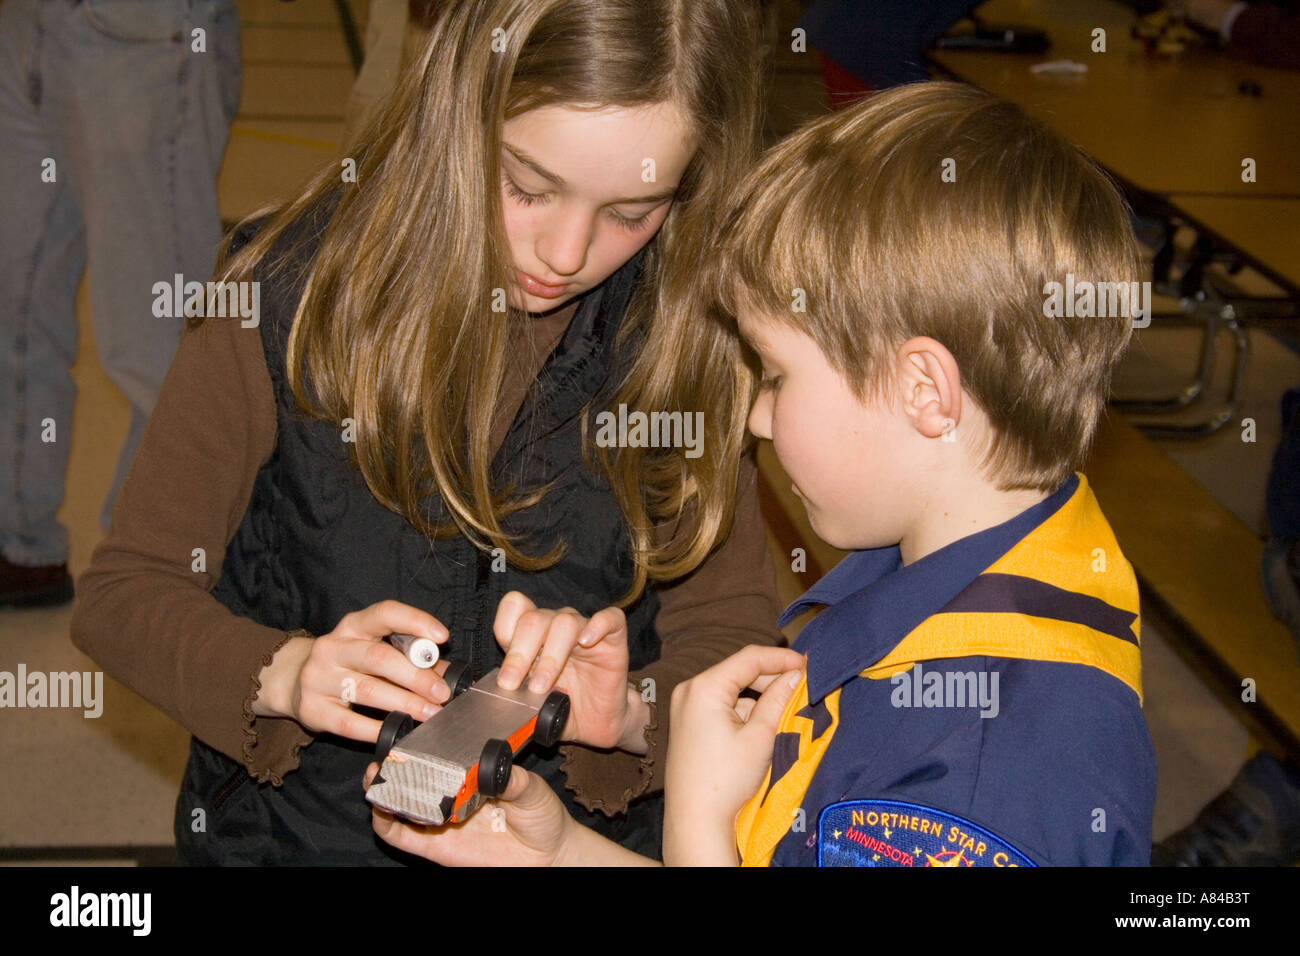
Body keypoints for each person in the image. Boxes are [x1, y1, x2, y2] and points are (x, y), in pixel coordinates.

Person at [368, 80, 1159, 867]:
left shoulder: (987, 771)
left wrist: (702, 829)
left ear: (924, 392)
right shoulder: (941, 571)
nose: (757, 418)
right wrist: (559, 853)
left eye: (776, 376)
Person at [70, 0, 784, 865]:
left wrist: (629, 711)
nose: (565, 251)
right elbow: (126, 595)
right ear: (457, 111)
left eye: (632, 213)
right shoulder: (284, 299)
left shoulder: (685, 342)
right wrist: (283, 671)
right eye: (525, 185)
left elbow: (735, 653)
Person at [0, 0, 241, 607]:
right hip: (21, 25)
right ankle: (19, 545)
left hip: (140, 30)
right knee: (15, 307)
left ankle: (144, 580)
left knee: (155, 341)